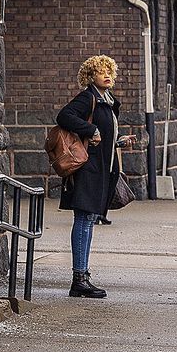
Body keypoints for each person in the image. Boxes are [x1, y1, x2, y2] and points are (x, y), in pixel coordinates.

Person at [56, 55, 137, 298]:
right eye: (101, 72)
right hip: (87, 170)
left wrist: (118, 142)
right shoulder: (88, 97)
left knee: (89, 221)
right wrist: (91, 129)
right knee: (83, 221)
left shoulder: (108, 102)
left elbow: (103, 138)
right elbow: (64, 116)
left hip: (102, 168)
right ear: (91, 76)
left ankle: (83, 276)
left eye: (109, 71)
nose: (107, 75)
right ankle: (79, 279)